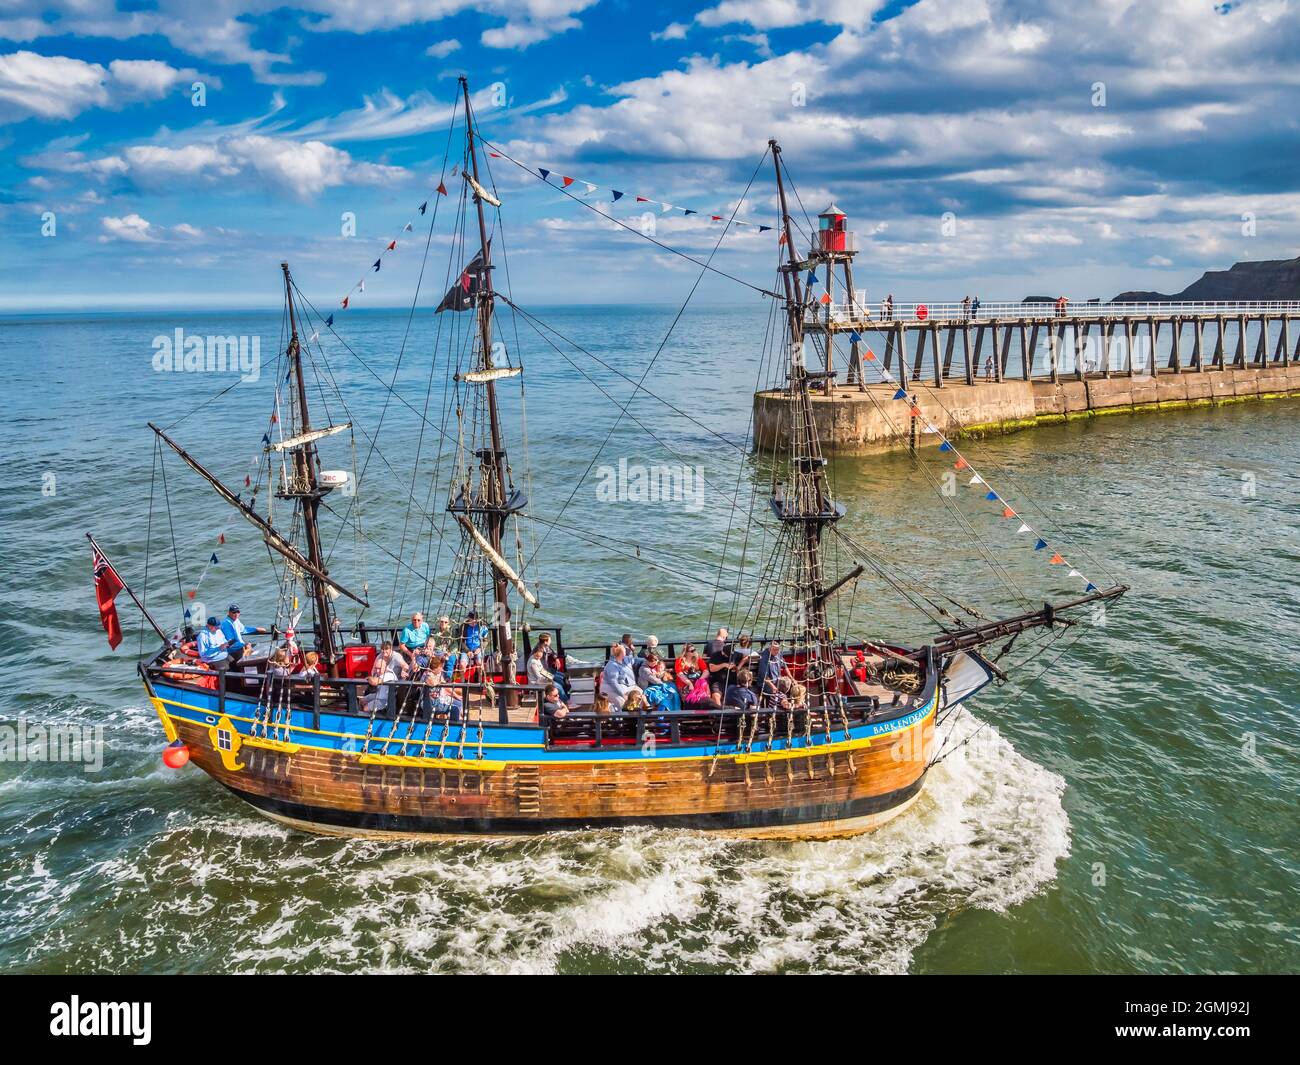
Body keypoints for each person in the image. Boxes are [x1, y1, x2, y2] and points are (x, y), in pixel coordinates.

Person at [364, 640, 405, 714]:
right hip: (379, 690)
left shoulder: (396, 658)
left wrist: (403, 671)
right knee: (363, 699)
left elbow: (405, 666)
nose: (384, 653)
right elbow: (374, 668)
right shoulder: (380, 656)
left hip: (390, 690)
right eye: (383, 650)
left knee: (366, 708)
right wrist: (374, 674)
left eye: (386, 650)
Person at [600, 644, 639, 710]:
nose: (626, 651)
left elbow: (632, 660)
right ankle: (622, 717)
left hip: (624, 686)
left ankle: (636, 714)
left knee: (639, 694)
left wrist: (633, 651)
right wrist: (623, 694)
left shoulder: (625, 660)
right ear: (621, 653)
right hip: (610, 689)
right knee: (623, 703)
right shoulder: (612, 665)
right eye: (624, 650)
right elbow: (614, 683)